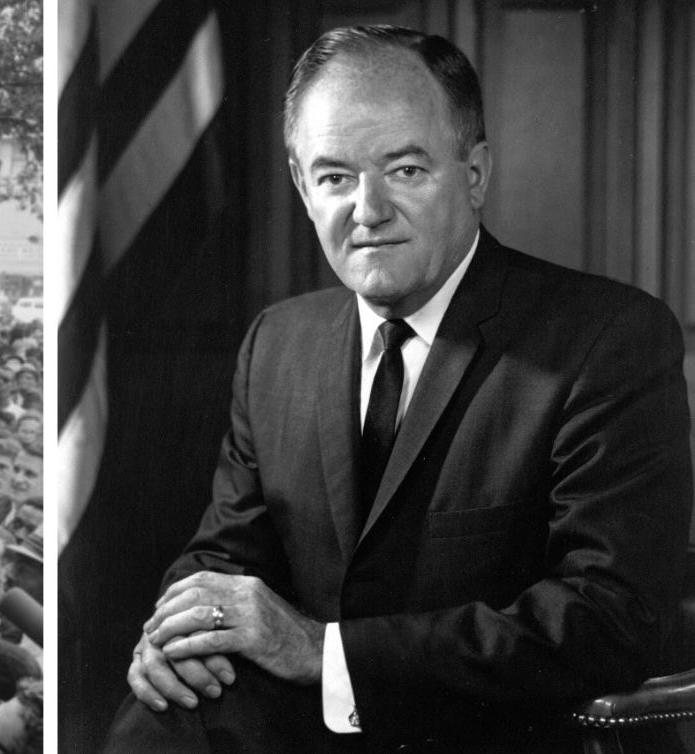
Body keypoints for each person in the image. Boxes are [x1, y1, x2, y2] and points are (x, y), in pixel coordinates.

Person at [104, 26, 692, 753]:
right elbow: (224, 557)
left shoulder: (605, 340)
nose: (368, 209)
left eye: (406, 170)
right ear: (301, 186)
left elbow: (608, 617)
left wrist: (325, 653)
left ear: (474, 173)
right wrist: (175, 635)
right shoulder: (276, 344)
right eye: (335, 177)